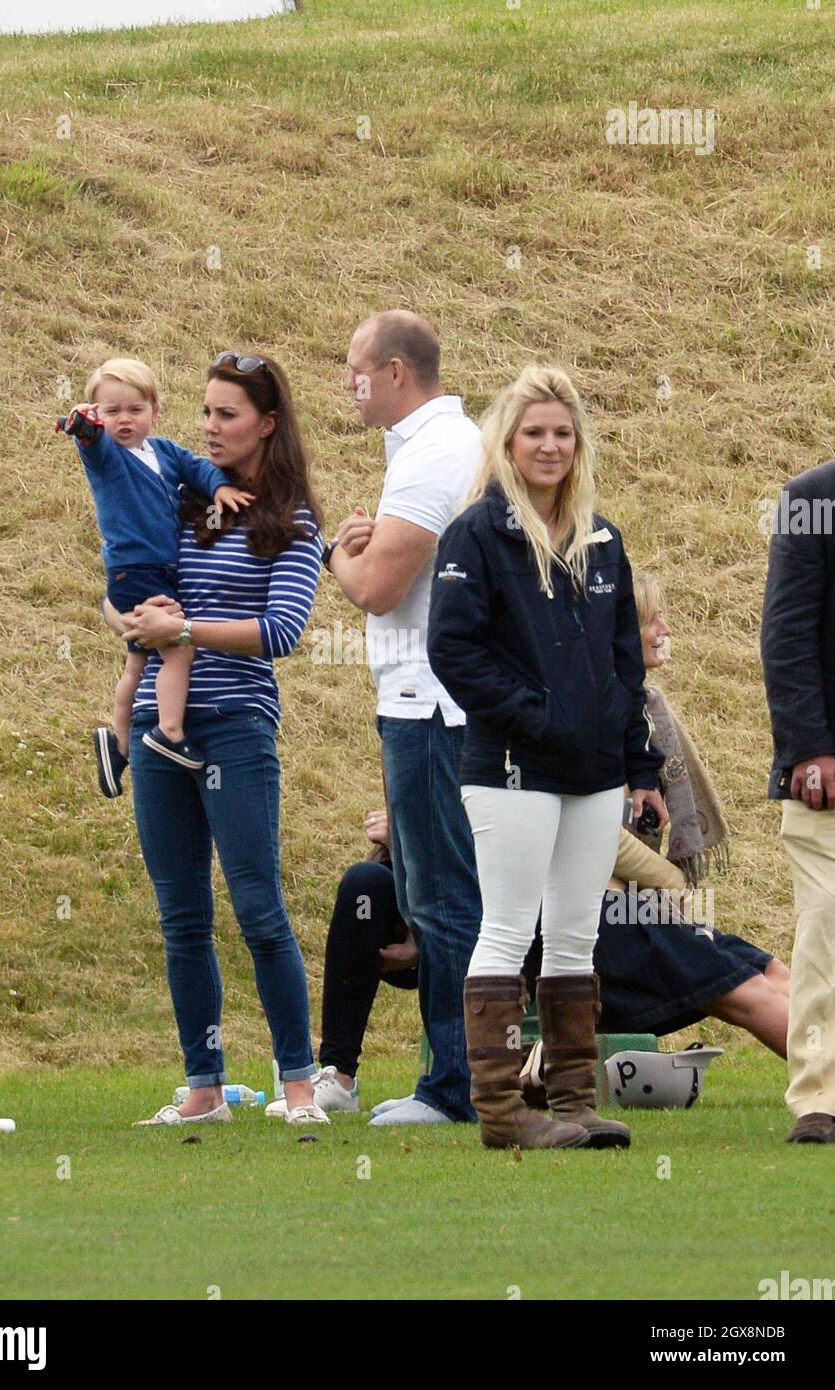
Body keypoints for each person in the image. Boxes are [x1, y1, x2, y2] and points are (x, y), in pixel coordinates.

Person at [427, 363, 666, 1150]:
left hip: (594, 771)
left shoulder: (603, 538)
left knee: (575, 935)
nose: (550, 446)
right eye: (534, 432)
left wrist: (639, 764)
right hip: (511, 766)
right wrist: (537, 718)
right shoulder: (476, 533)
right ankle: (501, 1111)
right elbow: (452, 651)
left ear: (579, 443)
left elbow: (626, 664)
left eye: (563, 433)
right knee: (506, 927)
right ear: (507, 442)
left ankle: (571, 1100)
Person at [120, 352, 329, 1127]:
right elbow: (128, 581)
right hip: (157, 726)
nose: (208, 427)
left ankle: (300, 1086)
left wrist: (185, 631)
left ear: (267, 424)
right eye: (205, 411)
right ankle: (204, 1088)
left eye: (227, 414)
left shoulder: (292, 521)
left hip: (236, 727)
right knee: (181, 918)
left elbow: (281, 632)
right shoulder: (176, 504)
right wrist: (132, 618)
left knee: (259, 910)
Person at [520, 572, 790, 1097]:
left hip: (630, 906)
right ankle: (824, 1084)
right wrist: (671, 883)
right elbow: (588, 829)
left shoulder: (629, 706)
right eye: (651, 620)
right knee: (748, 993)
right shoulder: (586, 709)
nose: (665, 630)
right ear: (620, 631)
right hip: (594, 915)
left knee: (771, 972)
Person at [324, 310, 483, 1126]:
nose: (347, 383)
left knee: (444, 899)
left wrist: (336, 551)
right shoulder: (429, 447)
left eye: (356, 368)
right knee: (430, 894)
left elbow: (379, 588)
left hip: (430, 704)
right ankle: (456, 1078)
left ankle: (455, 1086)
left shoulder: (435, 450)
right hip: (422, 701)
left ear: (394, 371)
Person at [59, 357, 253, 796]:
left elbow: (197, 467)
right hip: (137, 570)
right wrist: (83, 425)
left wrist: (219, 486)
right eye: (111, 411)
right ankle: (170, 731)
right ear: (99, 415)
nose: (124, 420)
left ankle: (118, 744)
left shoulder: (163, 451)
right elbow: (90, 443)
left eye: (135, 409)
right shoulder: (108, 457)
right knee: (179, 650)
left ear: (155, 410)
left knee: (138, 662)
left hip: (152, 572)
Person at [762, 459, 835, 1143]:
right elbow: (786, 633)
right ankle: (821, 1097)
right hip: (827, 777)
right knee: (826, 930)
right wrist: (809, 747)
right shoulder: (812, 500)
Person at [263, 807, 419, 1117]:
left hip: (470, 915)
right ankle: (339, 1075)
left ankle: (451, 1079)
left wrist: (405, 840)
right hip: (413, 910)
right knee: (364, 883)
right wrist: (399, 845)